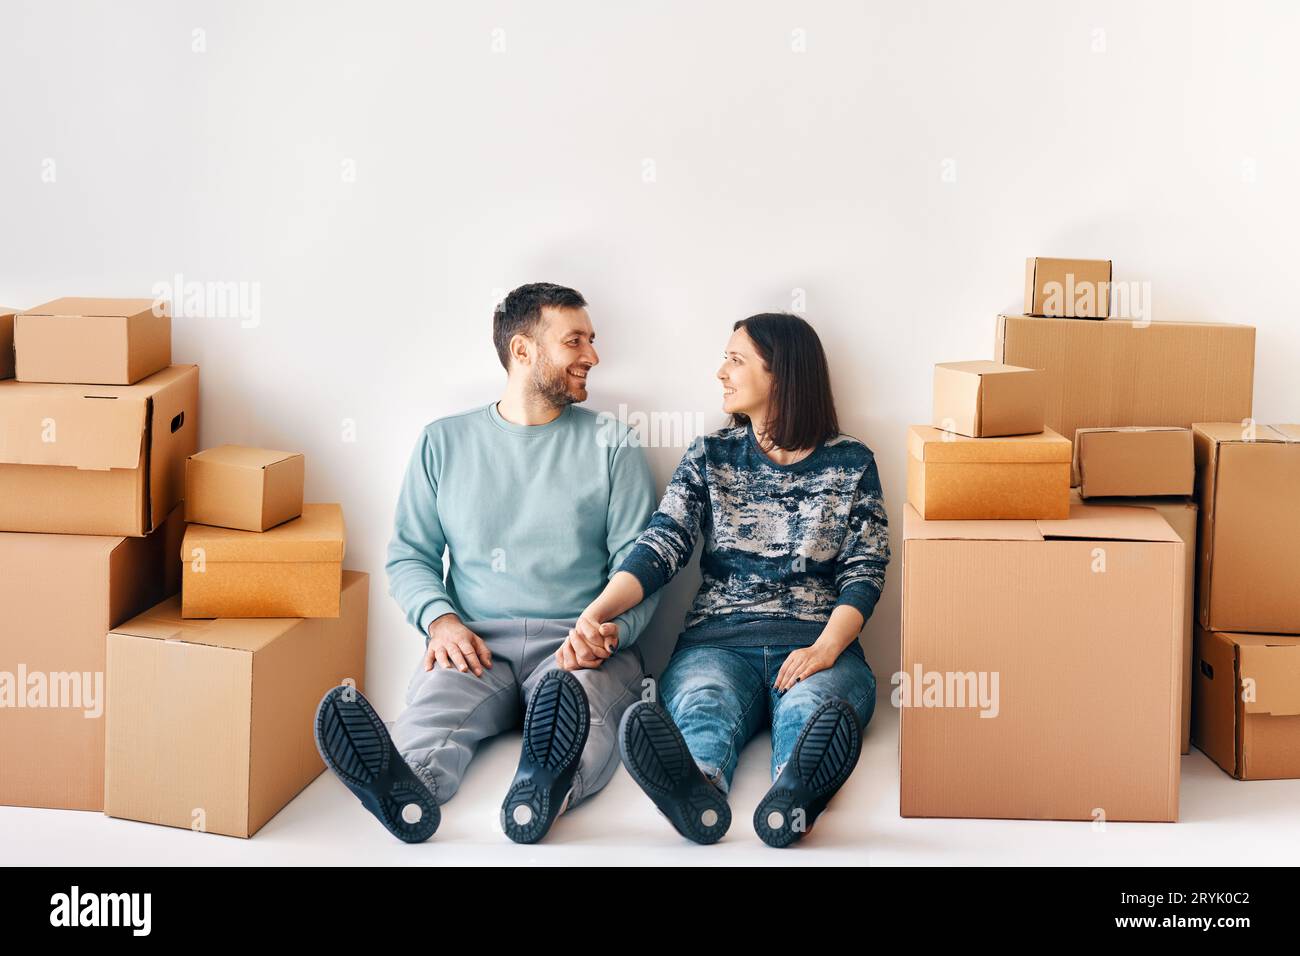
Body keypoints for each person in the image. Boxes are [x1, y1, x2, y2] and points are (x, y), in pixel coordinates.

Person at [313, 282, 659, 844]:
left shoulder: (612, 444)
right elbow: (410, 555)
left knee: (587, 715)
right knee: (429, 716)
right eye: (576, 341)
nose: (593, 357)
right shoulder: (442, 443)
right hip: (475, 644)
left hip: (579, 642)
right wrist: (439, 621)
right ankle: (406, 791)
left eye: (592, 341)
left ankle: (547, 789)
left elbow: (642, 566)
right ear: (523, 351)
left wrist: (612, 630)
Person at [567, 312, 889, 847]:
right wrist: (597, 611)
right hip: (717, 643)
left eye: (735, 359)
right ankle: (698, 791)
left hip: (817, 645)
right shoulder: (709, 456)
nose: (721, 372)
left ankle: (795, 796)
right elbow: (660, 548)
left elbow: (865, 570)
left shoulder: (851, 462)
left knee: (813, 713)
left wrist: (827, 648)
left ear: (780, 374)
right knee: (704, 702)